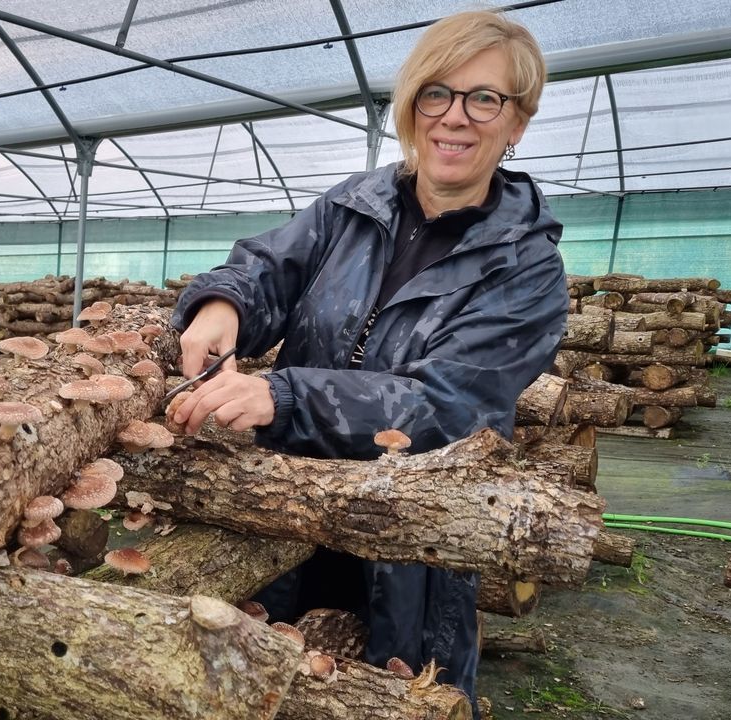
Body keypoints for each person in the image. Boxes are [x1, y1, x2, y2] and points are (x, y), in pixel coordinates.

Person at [169, 9, 567, 714]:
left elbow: (449, 406)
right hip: (288, 512)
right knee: (272, 681)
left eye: (485, 99)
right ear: (412, 105)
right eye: (436, 93)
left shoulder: (527, 270)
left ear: (518, 123)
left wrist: (284, 397)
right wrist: (225, 304)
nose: (455, 116)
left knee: (393, 695)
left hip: (410, 550)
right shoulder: (352, 207)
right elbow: (269, 267)